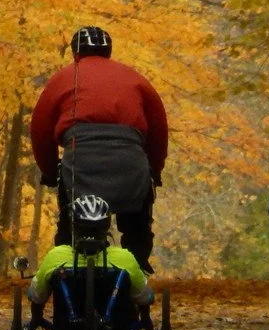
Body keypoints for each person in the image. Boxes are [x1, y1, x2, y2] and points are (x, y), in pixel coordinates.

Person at [30, 26, 169, 270]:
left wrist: (50, 171)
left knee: (70, 223)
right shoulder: (135, 78)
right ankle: (136, 272)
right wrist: (154, 170)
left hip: (80, 164)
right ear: (108, 51)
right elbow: (159, 130)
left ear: (75, 52)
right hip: (130, 164)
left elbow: (40, 129)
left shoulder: (63, 78)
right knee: (137, 225)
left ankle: (66, 269)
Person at [28, 195, 154, 330]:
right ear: (106, 226)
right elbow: (144, 297)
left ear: (74, 226)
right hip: (116, 329)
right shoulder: (125, 258)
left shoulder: (56, 257)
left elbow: (36, 295)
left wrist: (37, 317)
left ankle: (36, 321)